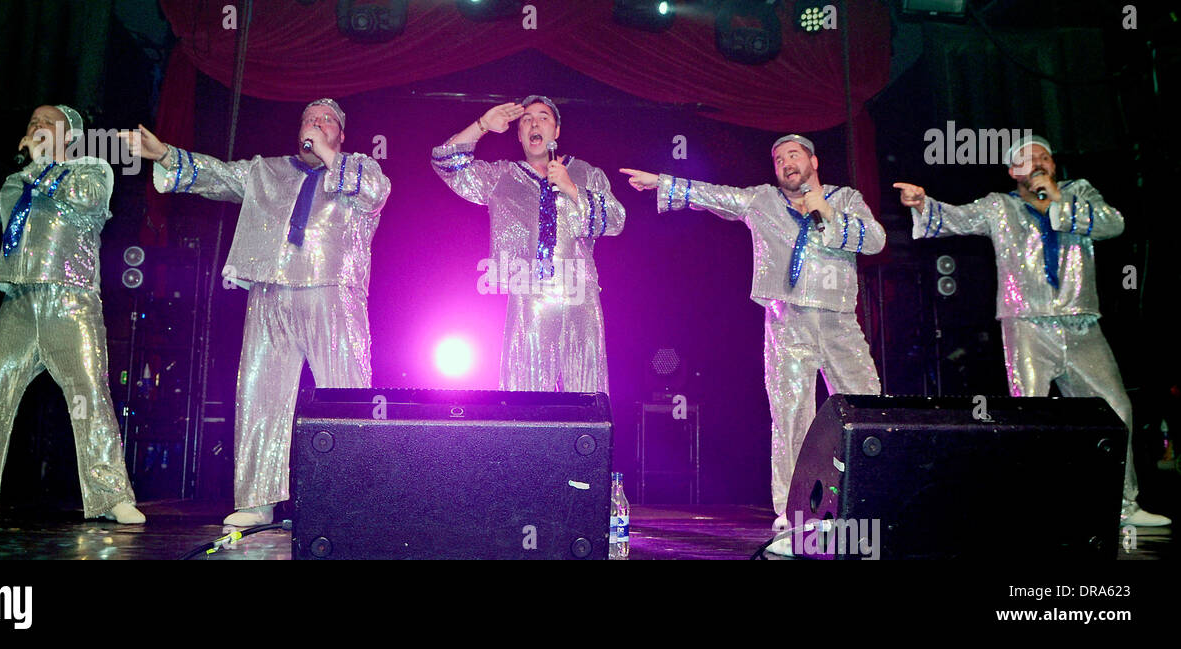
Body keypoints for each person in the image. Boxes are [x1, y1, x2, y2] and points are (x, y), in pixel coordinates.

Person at [119, 99, 389, 526]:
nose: (314, 125)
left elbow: (375, 194)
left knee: (345, 393)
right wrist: (167, 154)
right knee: (259, 394)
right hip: (269, 290)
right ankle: (258, 501)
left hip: (331, 291)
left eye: (325, 122)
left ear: (341, 134)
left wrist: (327, 154)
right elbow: (219, 175)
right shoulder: (266, 171)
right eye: (307, 120)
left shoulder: (358, 168)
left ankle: (352, 500)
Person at [894, 135, 1170, 527]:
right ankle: (1032, 507)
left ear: (1054, 168)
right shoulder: (1000, 206)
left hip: (1080, 322)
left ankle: (1124, 505)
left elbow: (1114, 224)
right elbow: (957, 217)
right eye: (1027, 159)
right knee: (1028, 412)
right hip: (1026, 324)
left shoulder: (1078, 193)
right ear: (1012, 171)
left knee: (1116, 407)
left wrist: (1057, 201)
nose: (1038, 162)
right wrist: (924, 203)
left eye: (1044, 157)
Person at [621, 134, 885, 537]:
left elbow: (876, 239)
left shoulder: (844, 198)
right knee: (791, 414)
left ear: (813, 162)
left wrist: (828, 213)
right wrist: (665, 183)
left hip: (838, 320)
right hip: (786, 319)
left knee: (866, 406)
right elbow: (717, 196)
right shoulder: (763, 200)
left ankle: (873, 500)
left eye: (794, 155)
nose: (785, 162)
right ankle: (795, 513)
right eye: (778, 158)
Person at [0, 105, 144, 523]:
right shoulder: (15, 183)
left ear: (69, 134)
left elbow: (86, 202)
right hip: (18, 301)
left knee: (87, 394)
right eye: (32, 121)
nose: (35, 126)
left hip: (70, 301)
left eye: (46, 122)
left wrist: (44, 163)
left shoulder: (91, 169)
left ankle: (111, 495)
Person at [431, 96, 625, 393]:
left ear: (556, 131)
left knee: (585, 393)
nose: (535, 123)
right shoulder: (502, 176)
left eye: (543, 117)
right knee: (527, 396)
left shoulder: (586, 173)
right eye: (527, 119)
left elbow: (615, 220)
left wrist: (572, 189)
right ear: (519, 134)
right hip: (529, 298)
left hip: (580, 298)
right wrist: (482, 125)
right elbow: (445, 162)